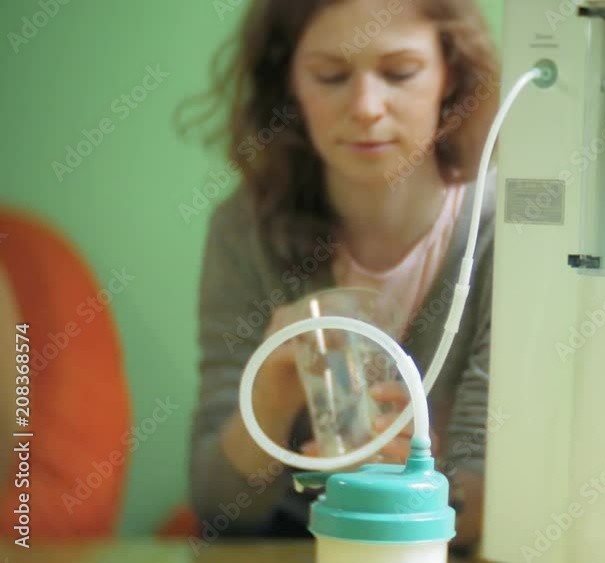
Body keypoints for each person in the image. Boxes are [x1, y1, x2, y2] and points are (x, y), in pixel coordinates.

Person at [179, 0, 500, 551]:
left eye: (400, 73)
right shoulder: (248, 231)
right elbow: (217, 505)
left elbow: (492, 506)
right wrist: (269, 408)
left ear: (452, 73)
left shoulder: (505, 231)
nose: (367, 107)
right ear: (288, 85)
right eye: (330, 76)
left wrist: (418, 488)